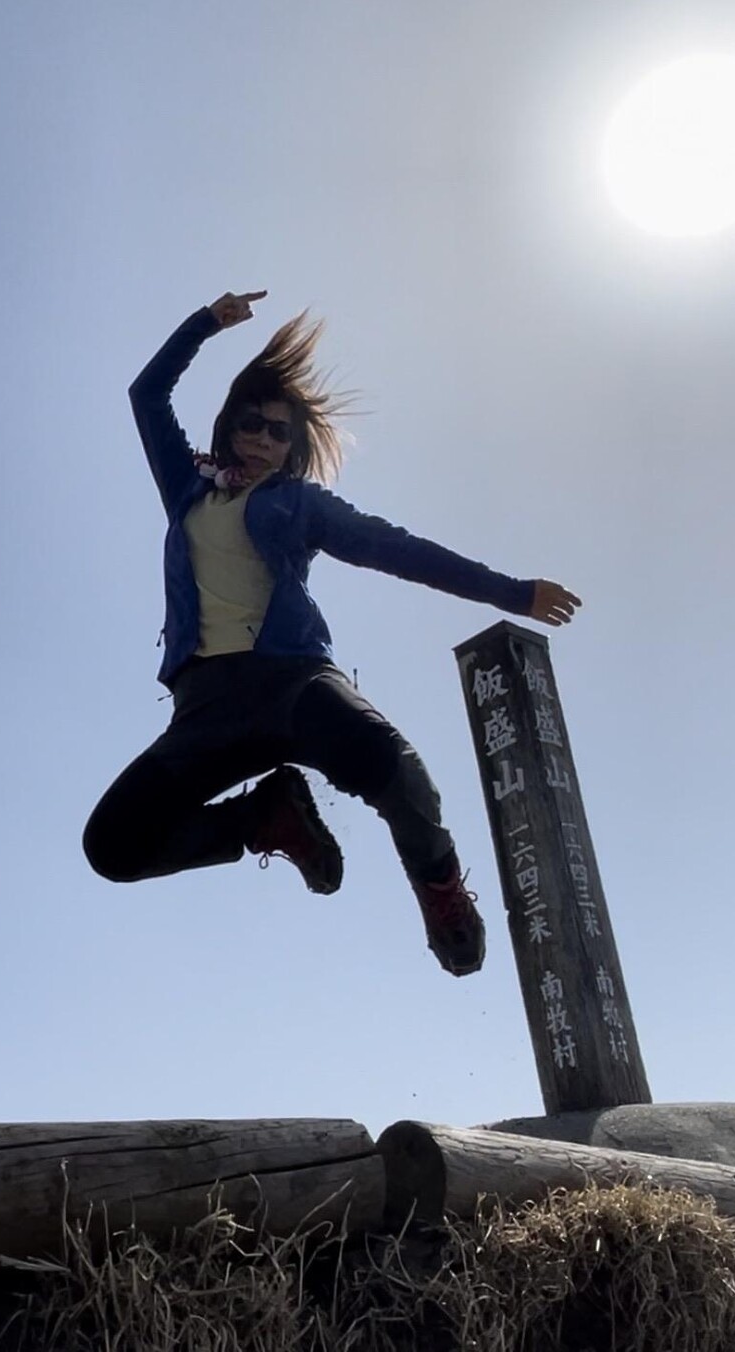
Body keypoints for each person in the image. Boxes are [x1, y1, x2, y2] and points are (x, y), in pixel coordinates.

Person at [83, 290, 581, 976]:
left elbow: (396, 549)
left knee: (395, 770)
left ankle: (438, 891)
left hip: (291, 684)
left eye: (276, 432)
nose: (259, 438)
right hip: (204, 710)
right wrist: (205, 323)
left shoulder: (300, 505)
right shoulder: (188, 488)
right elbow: (147, 395)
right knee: (113, 846)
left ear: (293, 448)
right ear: (227, 427)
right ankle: (265, 818)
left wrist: (513, 592)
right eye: (249, 424)